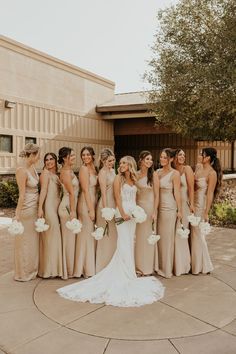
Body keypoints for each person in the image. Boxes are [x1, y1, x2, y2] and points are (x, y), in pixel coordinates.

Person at [57, 156, 165, 307]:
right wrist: (123, 213)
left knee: (129, 243)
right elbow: (117, 197)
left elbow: (136, 196)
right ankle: (124, 275)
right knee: (123, 243)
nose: (120, 165)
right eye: (119, 163)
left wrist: (136, 212)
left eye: (123, 163)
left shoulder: (133, 179)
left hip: (132, 215)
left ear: (129, 165)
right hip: (122, 215)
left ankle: (129, 274)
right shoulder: (118, 179)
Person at [191, 147, 222, 274]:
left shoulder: (212, 173)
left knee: (198, 234)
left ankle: (202, 265)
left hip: (201, 205)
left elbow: (210, 194)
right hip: (192, 203)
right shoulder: (198, 167)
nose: (199, 155)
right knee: (193, 234)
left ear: (208, 157)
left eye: (201, 154)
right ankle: (193, 263)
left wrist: (206, 212)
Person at [14, 143, 40, 281]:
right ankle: (23, 273)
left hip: (35, 209)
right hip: (27, 210)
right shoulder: (21, 170)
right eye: (38, 155)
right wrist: (17, 214)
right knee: (24, 242)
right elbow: (22, 194)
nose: (39, 158)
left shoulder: (33, 168)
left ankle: (31, 270)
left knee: (32, 243)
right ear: (32, 154)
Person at [156, 148, 182, 278]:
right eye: (161, 157)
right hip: (158, 208)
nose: (162, 159)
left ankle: (166, 269)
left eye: (165, 157)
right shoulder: (157, 172)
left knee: (167, 238)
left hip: (169, 208)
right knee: (159, 238)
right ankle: (158, 266)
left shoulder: (175, 174)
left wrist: (180, 210)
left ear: (171, 159)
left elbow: (177, 193)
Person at [73, 146, 97, 278]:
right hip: (85, 203)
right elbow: (86, 190)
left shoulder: (94, 169)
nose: (85, 157)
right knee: (86, 234)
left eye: (88, 154)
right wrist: (91, 209)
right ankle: (83, 268)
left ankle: (90, 265)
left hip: (93, 201)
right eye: (83, 155)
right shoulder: (83, 169)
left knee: (90, 234)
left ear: (93, 155)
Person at [38, 153, 63, 278]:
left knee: (54, 237)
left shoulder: (56, 175)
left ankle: (55, 268)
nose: (48, 162)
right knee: (52, 238)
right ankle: (50, 270)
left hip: (56, 207)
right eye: (46, 160)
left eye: (51, 159)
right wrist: (40, 208)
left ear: (55, 160)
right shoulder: (45, 173)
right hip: (48, 208)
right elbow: (43, 190)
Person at [135, 151, 159, 276]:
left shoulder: (153, 175)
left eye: (151, 159)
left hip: (149, 208)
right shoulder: (136, 174)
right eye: (147, 159)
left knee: (148, 236)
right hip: (138, 209)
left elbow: (157, 195)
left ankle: (148, 267)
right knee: (139, 238)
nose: (150, 161)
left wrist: (155, 211)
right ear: (141, 160)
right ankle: (138, 266)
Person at [58, 147, 79, 279]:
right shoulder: (65, 172)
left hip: (70, 205)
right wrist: (73, 211)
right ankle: (68, 270)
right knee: (68, 239)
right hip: (67, 208)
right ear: (65, 158)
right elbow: (71, 193)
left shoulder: (69, 170)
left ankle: (70, 267)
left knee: (71, 239)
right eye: (72, 156)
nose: (74, 158)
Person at [95, 148, 117, 272]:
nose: (111, 163)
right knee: (105, 234)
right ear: (103, 161)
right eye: (109, 161)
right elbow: (103, 193)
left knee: (113, 235)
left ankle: (112, 262)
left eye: (113, 160)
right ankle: (103, 264)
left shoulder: (113, 171)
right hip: (106, 205)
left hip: (114, 205)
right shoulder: (102, 173)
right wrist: (106, 210)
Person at [173, 149, 194, 276]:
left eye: (184, 155)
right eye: (180, 154)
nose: (182, 157)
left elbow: (191, 189)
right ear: (175, 156)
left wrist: (191, 204)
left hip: (184, 205)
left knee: (181, 233)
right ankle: (175, 264)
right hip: (172, 205)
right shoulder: (173, 170)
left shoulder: (187, 169)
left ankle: (184, 266)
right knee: (174, 234)